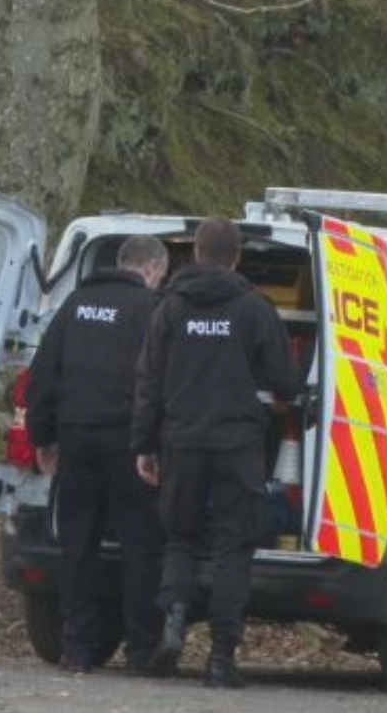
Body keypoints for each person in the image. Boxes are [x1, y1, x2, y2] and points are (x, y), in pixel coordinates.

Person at [132, 218, 300, 689]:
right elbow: (286, 381)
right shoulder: (254, 309)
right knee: (234, 545)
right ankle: (222, 658)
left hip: (181, 442)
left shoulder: (169, 308)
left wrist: (144, 445)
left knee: (181, 538)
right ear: (237, 257)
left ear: (195, 254)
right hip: (237, 445)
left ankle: (174, 619)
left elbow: (148, 382)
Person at [26, 235, 170, 674]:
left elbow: (43, 376)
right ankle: (141, 652)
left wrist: (43, 438)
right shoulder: (149, 310)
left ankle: (77, 649)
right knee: (139, 547)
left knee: (78, 546)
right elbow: (158, 384)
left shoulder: (73, 307)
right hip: (126, 444)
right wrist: (155, 445)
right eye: (159, 276)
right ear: (149, 269)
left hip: (76, 442)